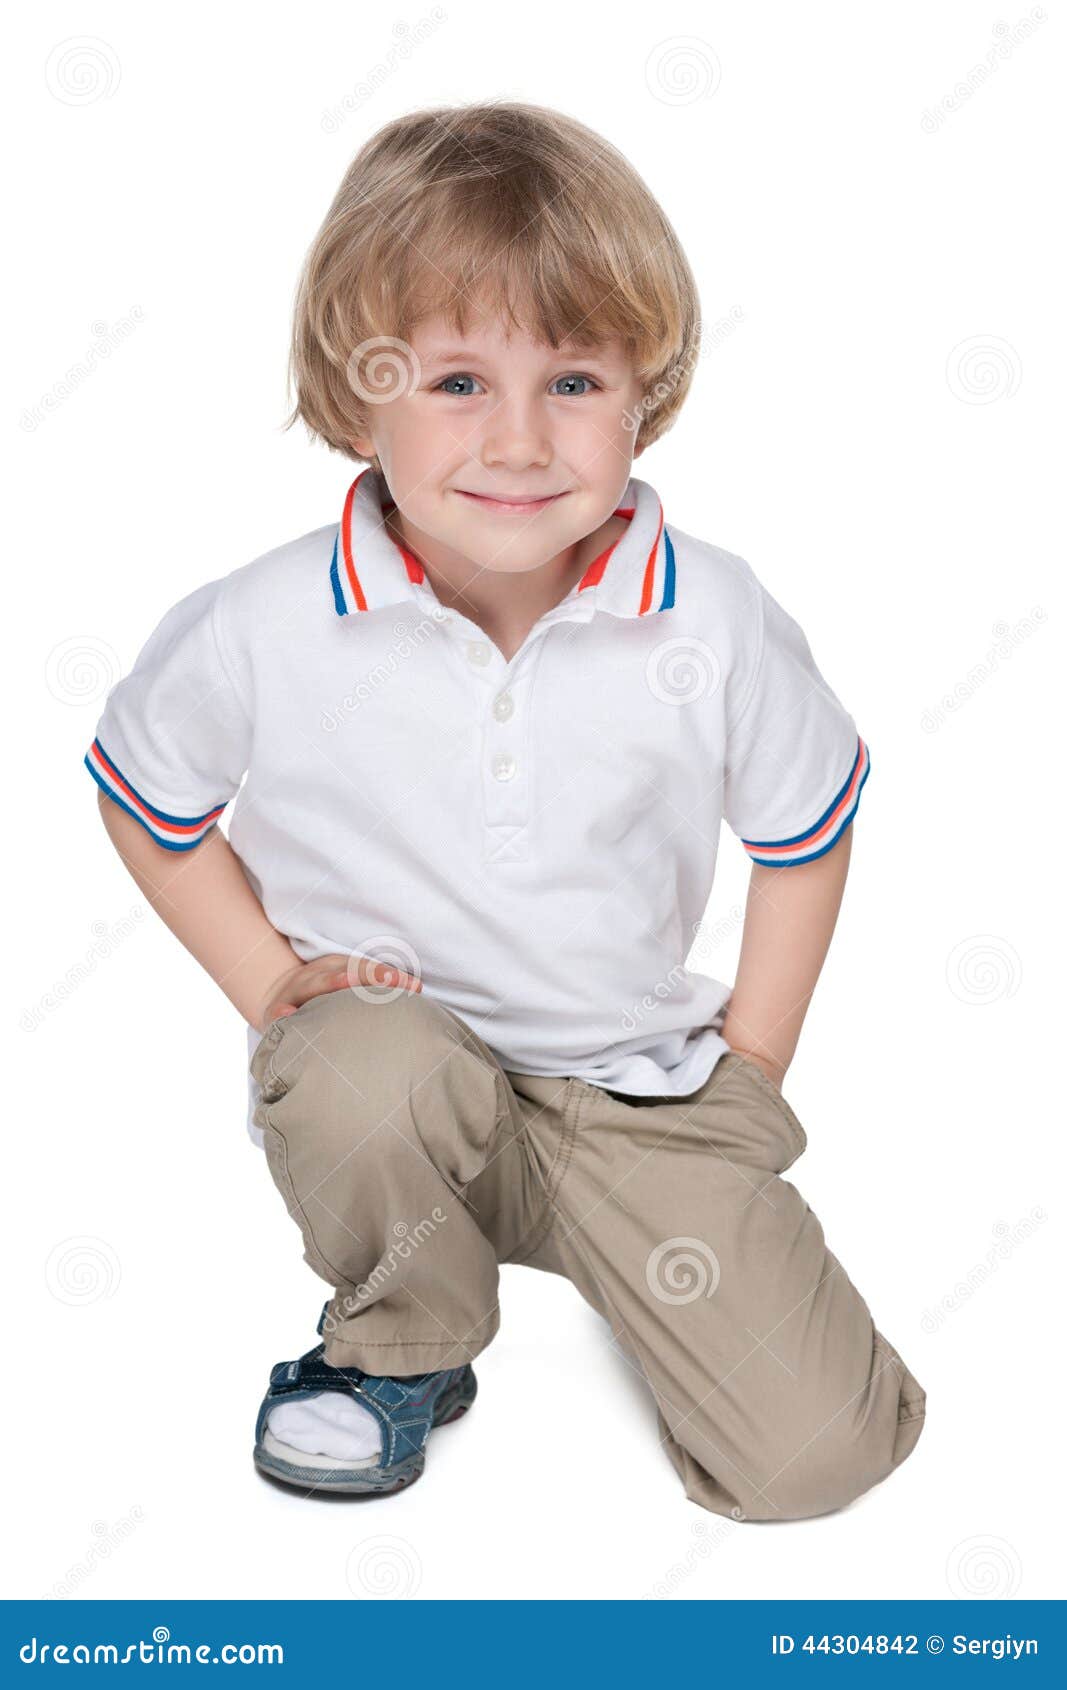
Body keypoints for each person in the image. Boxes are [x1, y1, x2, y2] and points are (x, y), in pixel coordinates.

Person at [85, 100, 925, 1518]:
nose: (523, 440)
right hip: (402, 1085)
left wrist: (754, 1073)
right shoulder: (270, 618)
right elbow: (147, 798)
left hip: (639, 1094)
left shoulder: (708, 612)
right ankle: (401, 1340)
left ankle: (628, 1253)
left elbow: (806, 835)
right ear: (359, 393)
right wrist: (275, 982)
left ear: (645, 393)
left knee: (814, 1458)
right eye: (458, 381)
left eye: (578, 382)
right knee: (361, 1068)